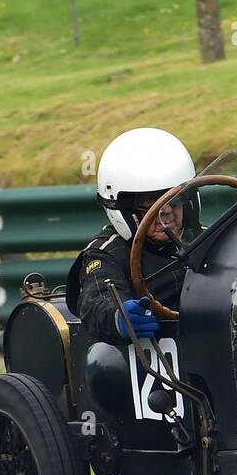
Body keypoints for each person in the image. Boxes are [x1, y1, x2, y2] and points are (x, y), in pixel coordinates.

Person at [66, 127, 202, 344]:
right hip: (151, 364)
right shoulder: (106, 254)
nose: (166, 212)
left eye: (174, 199)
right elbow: (96, 300)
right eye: (151, 205)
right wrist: (120, 318)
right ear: (124, 211)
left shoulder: (211, 239)